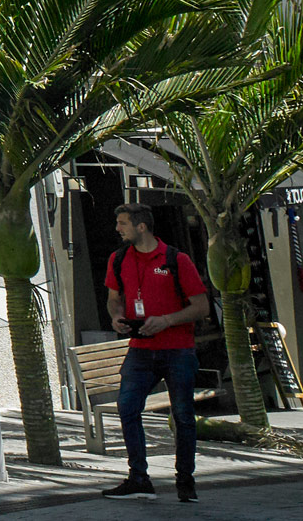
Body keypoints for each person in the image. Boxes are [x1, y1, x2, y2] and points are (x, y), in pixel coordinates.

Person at [100, 203, 210, 503]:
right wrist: (117, 316)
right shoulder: (118, 258)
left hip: (178, 350)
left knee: (184, 415)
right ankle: (139, 478)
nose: (117, 228)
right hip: (140, 350)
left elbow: (201, 306)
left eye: (123, 223)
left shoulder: (176, 259)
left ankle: (185, 481)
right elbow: (113, 298)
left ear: (141, 227)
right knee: (127, 408)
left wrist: (166, 320)